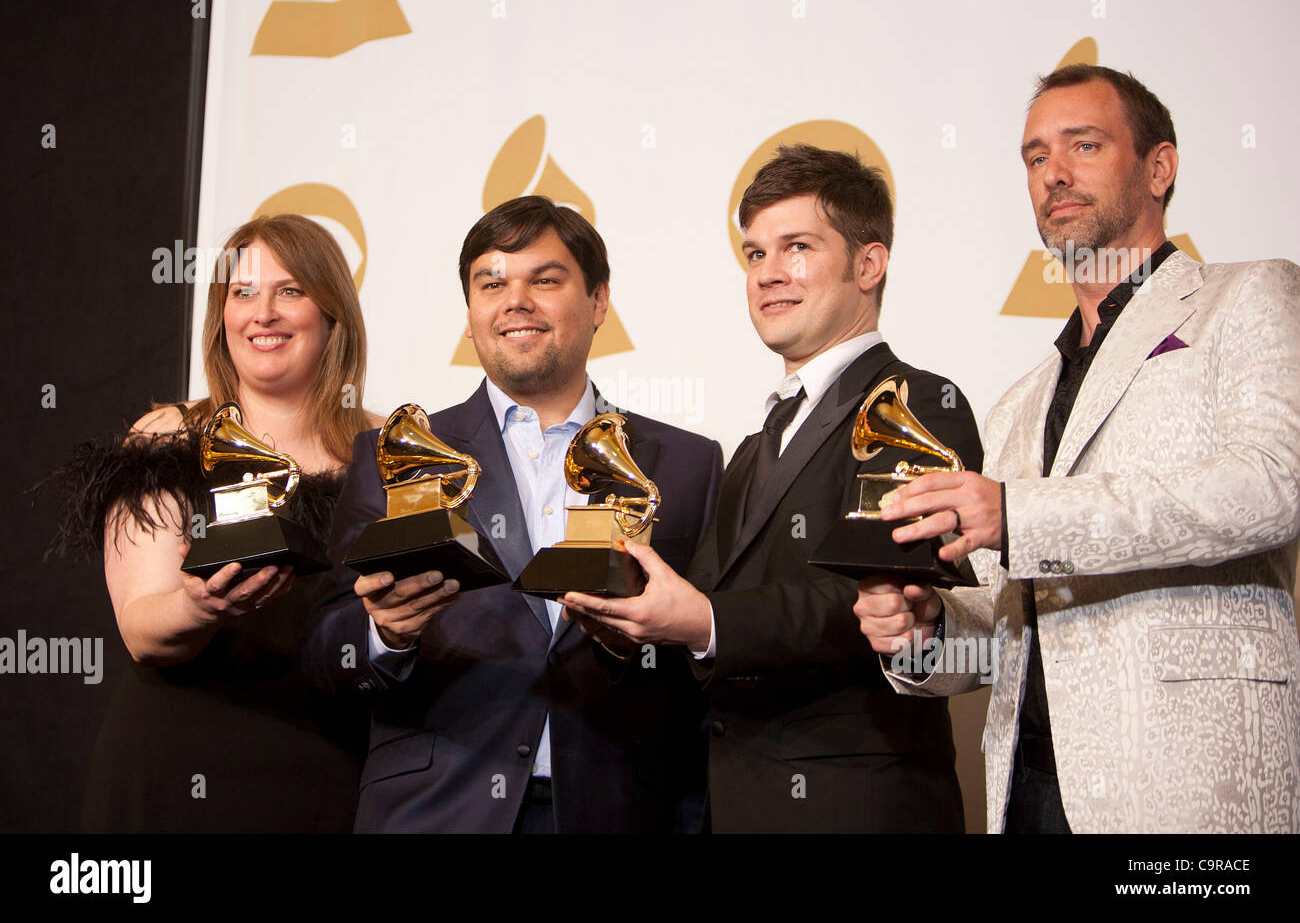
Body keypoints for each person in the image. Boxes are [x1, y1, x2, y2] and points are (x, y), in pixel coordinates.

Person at [855, 64, 1300, 833]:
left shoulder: (1251, 294)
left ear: (1159, 167)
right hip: (1025, 795)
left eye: (1083, 144)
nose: (1054, 172)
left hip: (1186, 794)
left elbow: (1272, 485)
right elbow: (1007, 632)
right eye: (1034, 157)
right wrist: (929, 633)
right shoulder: (1017, 406)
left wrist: (1019, 512)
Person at [563, 146, 982, 831]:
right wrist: (624, 622)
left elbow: (876, 595)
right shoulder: (754, 447)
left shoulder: (919, 405)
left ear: (869, 264)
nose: (768, 274)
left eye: (797, 247)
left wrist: (704, 620)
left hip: (860, 810)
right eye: (755, 254)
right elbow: (699, 608)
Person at [302, 195, 723, 833]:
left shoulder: (689, 464)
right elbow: (322, 650)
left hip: (623, 812)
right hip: (438, 813)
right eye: (491, 283)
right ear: (470, 315)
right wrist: (383, 633)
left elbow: (708, 669)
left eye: (545, 280)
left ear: (599, 301)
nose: (515, 301)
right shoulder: (395, 455)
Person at [52, 213, 377, 831]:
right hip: (173, 773)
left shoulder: (381, 450)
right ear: (221, 315)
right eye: (243, 293)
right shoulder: (167, 436)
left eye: (290, 290)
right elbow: (143, 626)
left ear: (332, 312)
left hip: (330, 778)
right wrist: (199, 605)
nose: (263, 314)